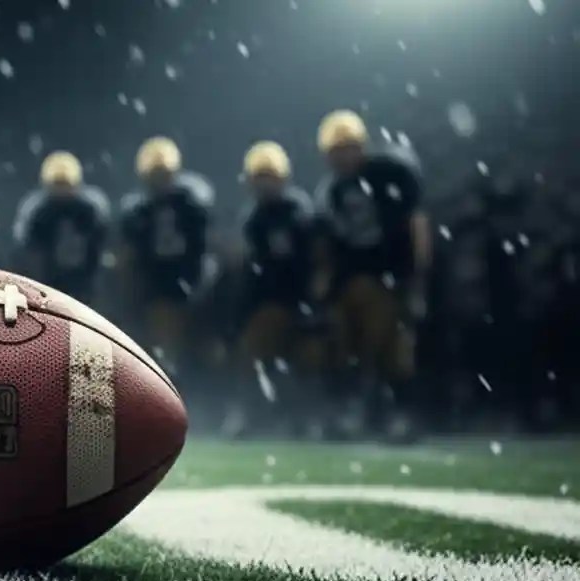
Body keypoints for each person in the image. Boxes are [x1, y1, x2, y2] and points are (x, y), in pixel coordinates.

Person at [314, 109, 432, 442]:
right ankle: (363, 411)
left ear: (361, 146)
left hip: (392, 274)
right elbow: (330, 248)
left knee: (395, 348)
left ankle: (399, 414)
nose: (341, 158)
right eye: (334, 152)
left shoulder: (391, 172)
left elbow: (416, 224)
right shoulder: (332, 191)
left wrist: (416, 278)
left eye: (346, 148)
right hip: (355, 280)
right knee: (348, 344)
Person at [224, 142, 327, 437]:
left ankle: (313, 415)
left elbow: (316, 261)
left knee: (312, 357)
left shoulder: (300, 212)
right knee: (252, 350)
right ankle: (254, 412)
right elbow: (247, 271)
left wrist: (313, 303)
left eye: (268, 176)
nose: (263, 184)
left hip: (300, 301)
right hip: (268, 303)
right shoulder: (252, 220)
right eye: (258, 178)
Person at [115, 137, 216, 377]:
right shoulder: (141, 209)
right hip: (161, 284)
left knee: (201, 343)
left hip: (190, 279)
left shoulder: (189, 201)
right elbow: (129, 256)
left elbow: (209, 243)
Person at [12, 151, 110, 303]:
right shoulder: (38, 212)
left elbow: (102, 246)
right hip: (48, 281)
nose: (62, 191)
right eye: (58, 185)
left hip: (84, 280)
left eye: (65, 185)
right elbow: (28, 251)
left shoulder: (90, 209)